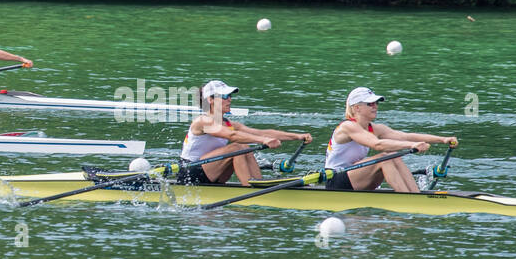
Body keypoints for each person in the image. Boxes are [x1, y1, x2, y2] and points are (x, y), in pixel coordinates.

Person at [174, 80, 312, 186]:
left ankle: (258, 183)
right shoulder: (203, 121)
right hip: (188, 174)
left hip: (209, 172)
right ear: (210, 100)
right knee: (237, 146)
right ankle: (249, 185)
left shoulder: (228, 123)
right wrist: (263, 141)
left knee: (244, 147)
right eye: (225, 96)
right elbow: (232, 136)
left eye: (230, 96)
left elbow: (261, 132)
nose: (230, 99)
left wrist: (297, 136)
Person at [324, 87, 457, 192]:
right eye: (370, 103)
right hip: (335, 180)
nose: (375, 106)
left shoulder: (375, 128)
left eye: (376, 103)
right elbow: (378, 144)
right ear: (356, 107)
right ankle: (407, 199)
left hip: (354, 177)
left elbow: (405, 136)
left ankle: (415, 195)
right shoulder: (348, 126)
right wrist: (413, 145)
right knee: (385, 159)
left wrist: (442, 139)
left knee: (393, 156)